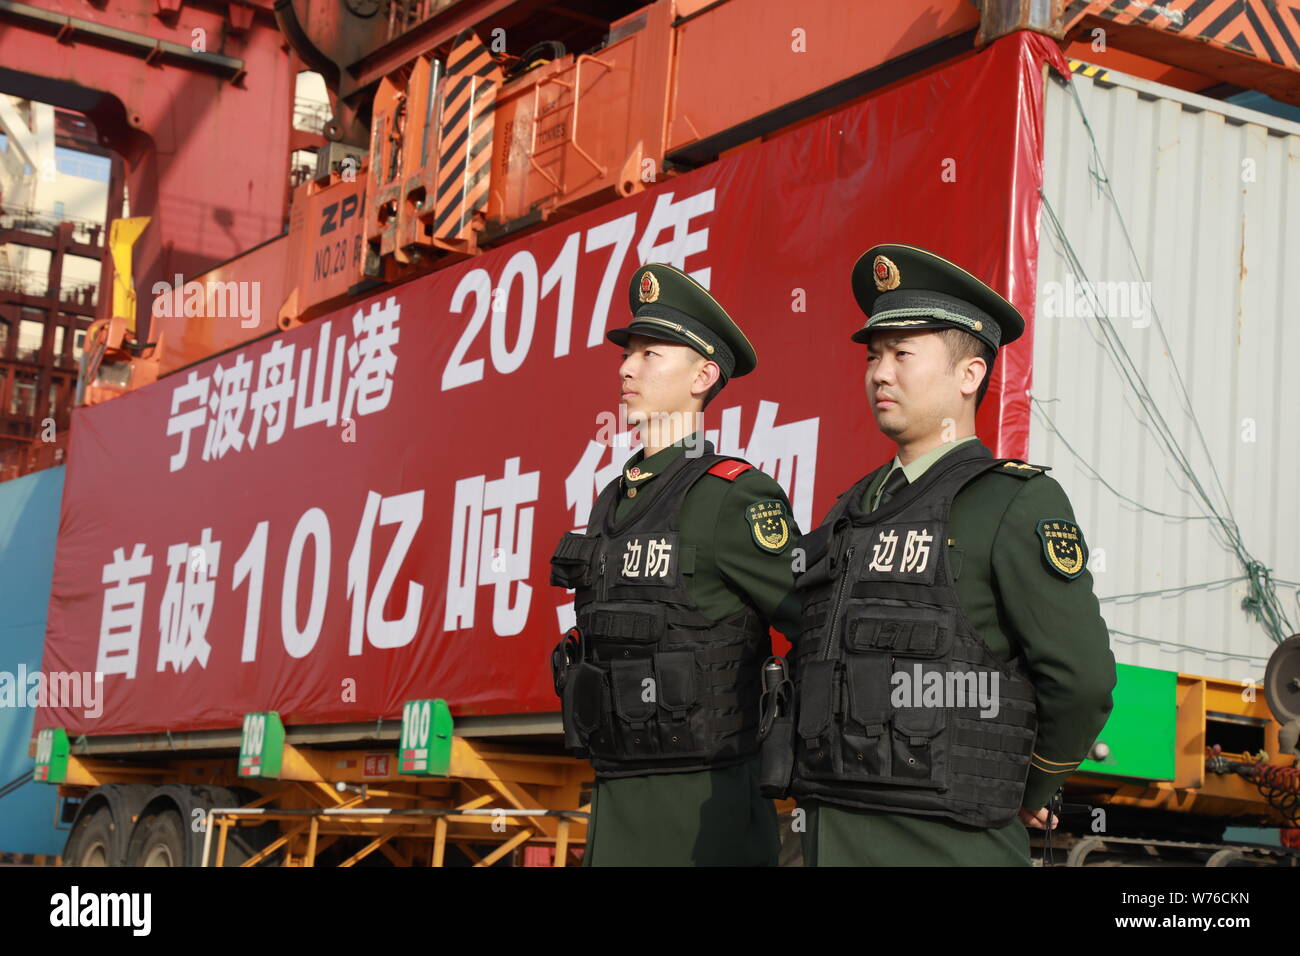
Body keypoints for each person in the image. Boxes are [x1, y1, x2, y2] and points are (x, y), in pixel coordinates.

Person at [787, 243, 1116, 866]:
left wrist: (1029, 788)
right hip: (834, 830)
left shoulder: (1013, 502)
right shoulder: (848, 511)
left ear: (970, 375)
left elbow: (1083, 680)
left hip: (949, 845)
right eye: (873, 355)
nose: (881, 372)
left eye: (903, 354)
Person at [549, 262, 803, 866]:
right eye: (627, 353)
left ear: (703, 375)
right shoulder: (613, 499)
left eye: (651, 353)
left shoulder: (732, 494)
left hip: (705, 806)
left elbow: (815, 621)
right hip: (615, 792)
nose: (627, 368)